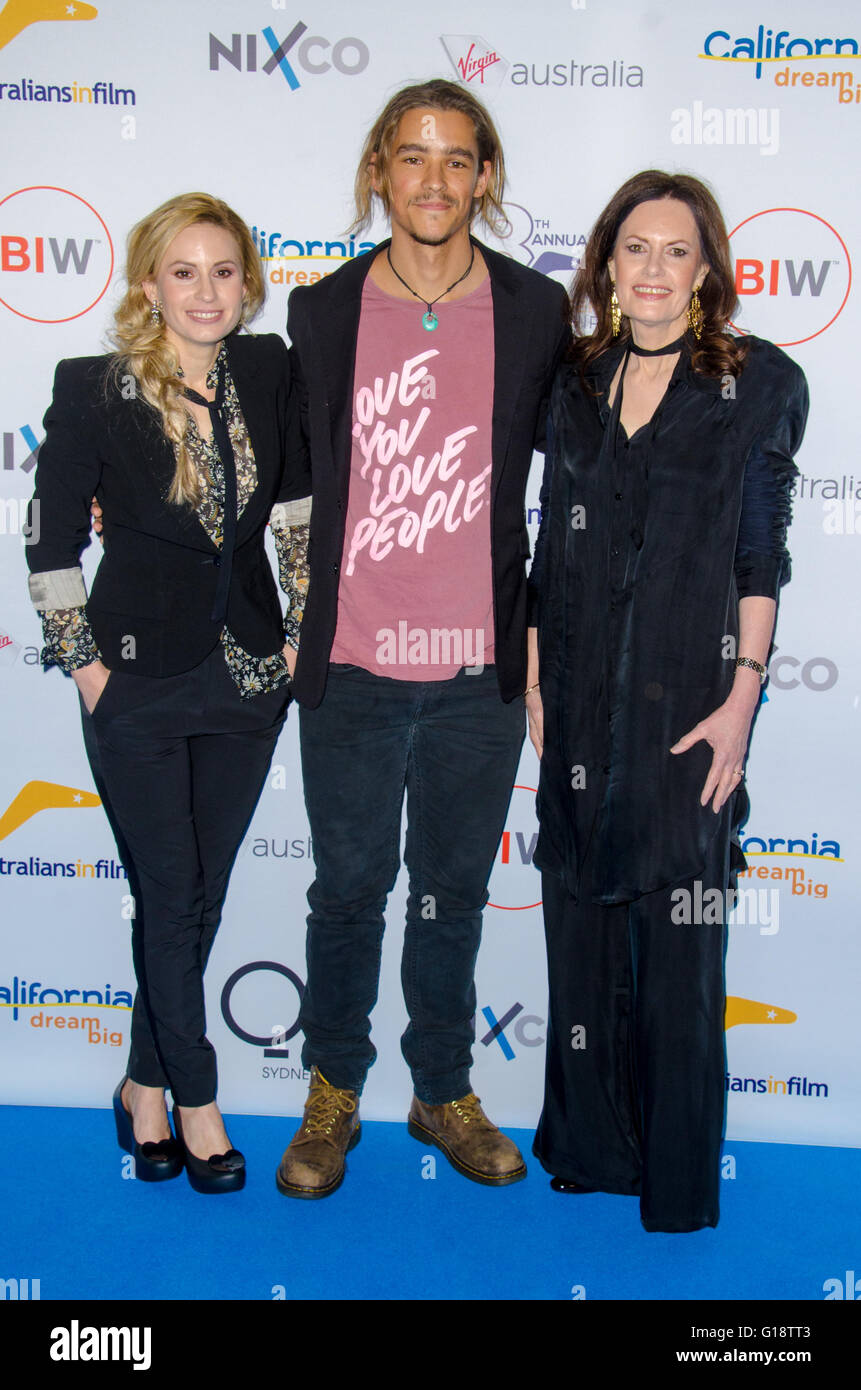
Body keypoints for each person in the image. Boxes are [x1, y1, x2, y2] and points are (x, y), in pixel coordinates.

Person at [275, 79, 570, 1198]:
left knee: (449, 890)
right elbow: (282, 471)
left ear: (484, 176)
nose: (435, 180)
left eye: (457, 159)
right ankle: (332, 1093)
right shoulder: (324, 309)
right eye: (413, 157)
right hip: (350, 665)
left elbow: (588, 470)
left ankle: (440, 1087)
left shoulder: (539, 313)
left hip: (476, 673)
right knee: (347, 892)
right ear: (378, 173)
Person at [527, 170, 809, 1232]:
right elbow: (551, 540)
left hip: (691, 703)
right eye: (633, 248)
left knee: (682, 943)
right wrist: (540, 677)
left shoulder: (759, 383)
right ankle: (592, 1145)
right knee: (578, 925)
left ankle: (677, 1180)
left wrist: (745, 697)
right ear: (606, 263)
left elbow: (759, 556)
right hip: (580, 694)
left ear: (706, 268)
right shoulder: (573, 380)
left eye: (674, 250)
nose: (651, 268)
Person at [26, 193, 310, 1194]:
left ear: (247, 282)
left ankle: (141, 1089)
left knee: (196, 899)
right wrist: (90, 668)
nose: (205, 290)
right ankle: (196, 1100)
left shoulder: (272, 371)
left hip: (245, 677)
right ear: (150, 283)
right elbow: (50, 541)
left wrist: (296, 637)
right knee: (173, 894)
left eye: (223, 270)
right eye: (183, 271)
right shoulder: (95, 388)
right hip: (136, 678)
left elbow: (301, 508)